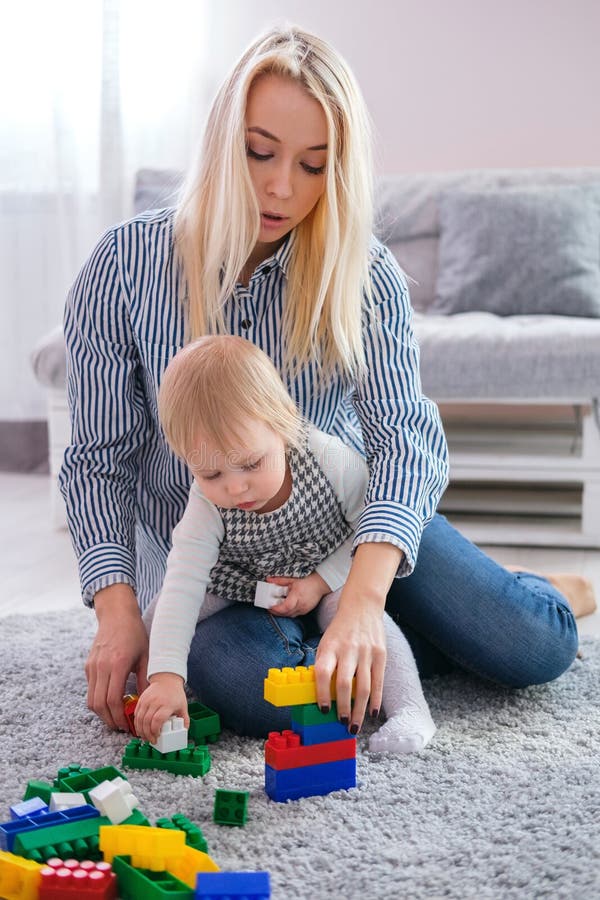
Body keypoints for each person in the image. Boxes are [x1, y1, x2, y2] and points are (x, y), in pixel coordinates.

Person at [60, 24, 589, 741]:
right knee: (253, 692)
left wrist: (366, 599)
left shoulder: (364, 273)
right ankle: (397, 637)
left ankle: (528, 593)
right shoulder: (123, 268)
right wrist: (117, 610)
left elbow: (404, 437)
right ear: (223, 140)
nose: (283, 188)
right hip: (220, 574)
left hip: (349, 532)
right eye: (260, 152)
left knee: (535, 649)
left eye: (315, 164)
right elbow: (98, 461)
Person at [134, 334, 437, 753]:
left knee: (364, 624)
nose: (236, 487)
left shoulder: (329, 459)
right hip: (239, 583)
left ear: (283, 422)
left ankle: (410, 710)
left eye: (250, 464)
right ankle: (153, 679)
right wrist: (165, 675)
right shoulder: (205, 505)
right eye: (211, 474)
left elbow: (366, 531)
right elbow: (184, 584)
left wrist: (319, 582)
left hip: (325, 569)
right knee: (161, 612)